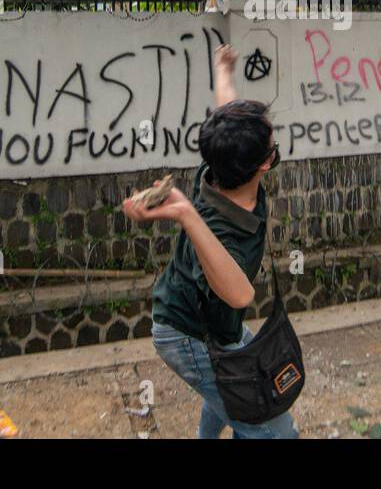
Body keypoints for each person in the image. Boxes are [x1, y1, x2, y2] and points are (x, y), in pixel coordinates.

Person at [123, 43, 298, 439]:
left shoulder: (219, 168)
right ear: (265, 163)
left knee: (233, 392)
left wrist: (223, 70)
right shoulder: (223, 232)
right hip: (186, 332)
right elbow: (239, 295)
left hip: (217, 327)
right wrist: (186, 213)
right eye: (272, 142)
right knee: (274, 430)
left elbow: (227, 117)